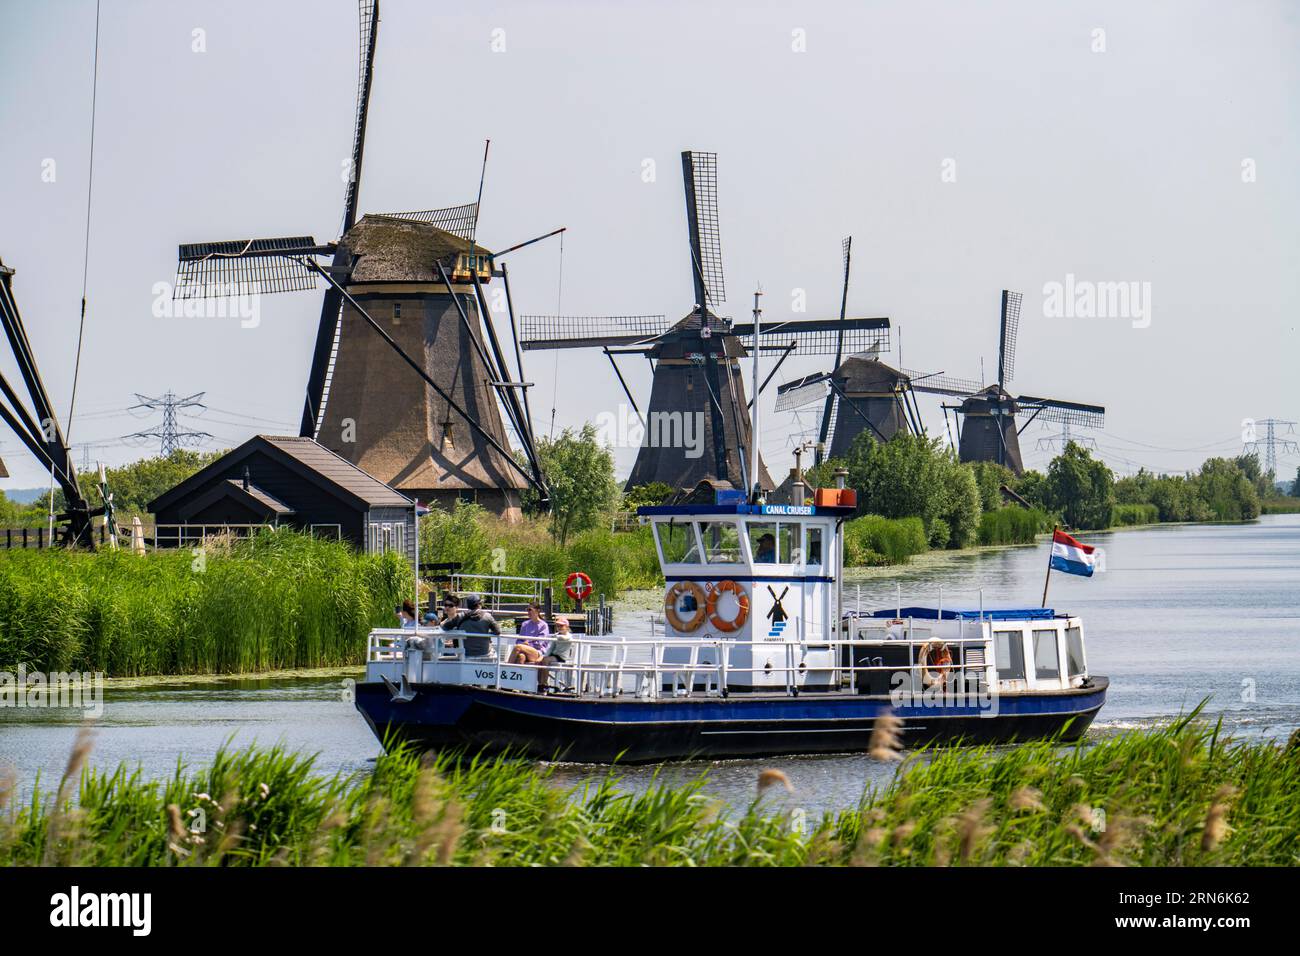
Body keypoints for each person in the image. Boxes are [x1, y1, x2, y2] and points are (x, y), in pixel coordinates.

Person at [539, 615, 575, 692]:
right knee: (541, 660)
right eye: (558, 626)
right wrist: (544, 656)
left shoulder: (568, 636)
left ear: (567, 626)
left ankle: (544, 684)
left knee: (545, 661)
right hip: (554, 656)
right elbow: (551, 648)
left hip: (561, 657)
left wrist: (556, 637)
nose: (559, 627)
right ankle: (540, 683)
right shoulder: (556, 636)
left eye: (561, 626)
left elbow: (566, 638)